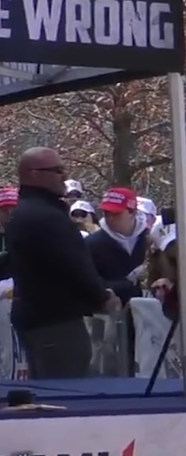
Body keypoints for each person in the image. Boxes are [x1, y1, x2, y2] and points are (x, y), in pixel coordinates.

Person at [8, 147, 119, 379]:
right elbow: (73, 265)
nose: (64, 176)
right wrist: (100, 295)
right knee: (65, 390)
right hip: (55, 321)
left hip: (40, 317)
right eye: (57, 170)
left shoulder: (27, 212)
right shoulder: (45, 217)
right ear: (34, 174)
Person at [85, 187, 150, 307]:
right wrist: (127, 284)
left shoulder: (150, 237)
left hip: (152, 311)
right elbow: (88, 282)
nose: (110, 217)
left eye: (116, 213)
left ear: (132, 212)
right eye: (106, 213)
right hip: (110, 314)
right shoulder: (91, 244)